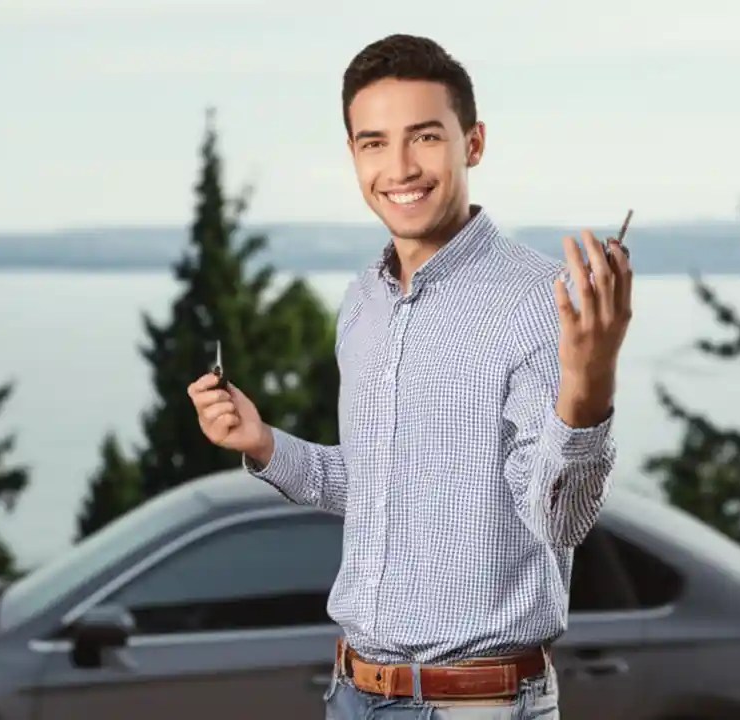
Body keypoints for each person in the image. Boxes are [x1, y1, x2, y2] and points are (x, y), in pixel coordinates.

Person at [187, 33, 632, 719]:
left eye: (424, 137)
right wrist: (262, 443)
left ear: (473, 143)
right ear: (353, 156)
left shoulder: (537, 302)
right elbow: (369, 488)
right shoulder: (363, 303)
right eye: (373, 143)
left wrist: (590, 386)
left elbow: (560, 519)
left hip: (477, 706)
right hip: (353, 694)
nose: (399, 167)